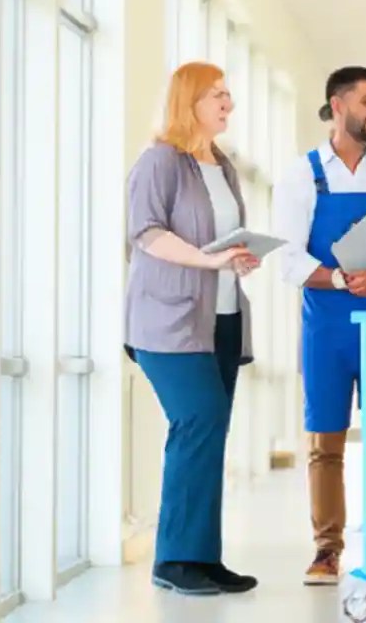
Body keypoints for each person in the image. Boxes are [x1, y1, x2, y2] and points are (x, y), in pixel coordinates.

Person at [272, 66, 366, 585]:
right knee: (326, 441)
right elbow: (287, 258)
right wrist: (339, 279)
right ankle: (327, 550)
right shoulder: (302, 176)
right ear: (338, 106)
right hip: (327, 328)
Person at [124, 62, 262, 596]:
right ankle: (173, 560)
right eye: (218, 95)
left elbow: (219, 241)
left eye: (229, 95)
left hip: (222, 320)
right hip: (168, 321)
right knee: (196, 422)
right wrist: (210, 262)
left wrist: (238, 258)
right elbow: (147, 233)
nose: (228, 104)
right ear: (190, 101)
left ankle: (203, 558)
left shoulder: (221, 165)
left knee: (209, 435)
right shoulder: (160, 161)